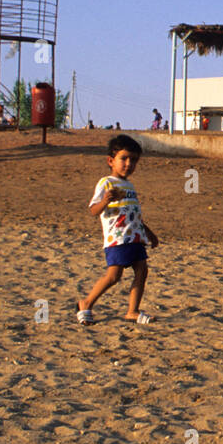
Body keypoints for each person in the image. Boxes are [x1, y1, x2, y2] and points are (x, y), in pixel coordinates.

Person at [77, 134, 159, 325]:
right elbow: (93, 210)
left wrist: (149, 233)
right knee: (114, 276)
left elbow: (133, 214)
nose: (129, 164)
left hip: (136, 238)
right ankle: (86, 303)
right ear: (111, 161)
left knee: (142, 271)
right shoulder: (106, 183)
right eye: (124, 158)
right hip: (117, 239)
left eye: (134, 160)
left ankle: (133, 311)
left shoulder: (130, 186)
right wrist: (105, 200)